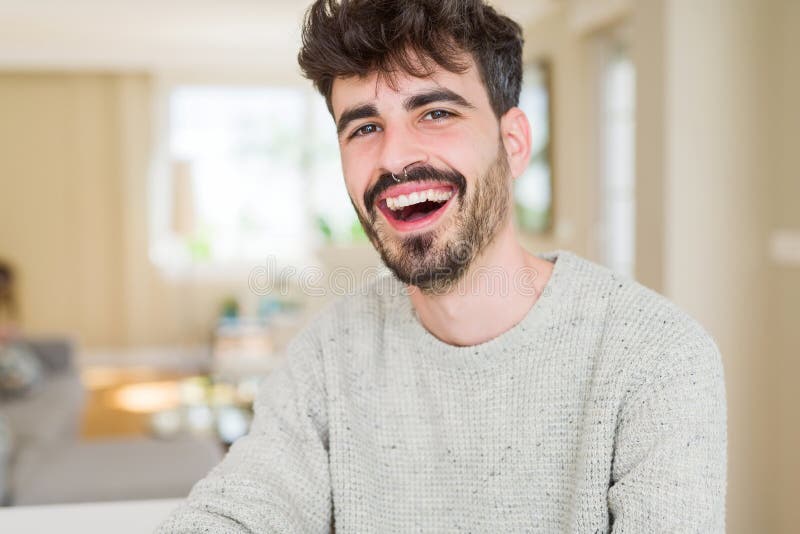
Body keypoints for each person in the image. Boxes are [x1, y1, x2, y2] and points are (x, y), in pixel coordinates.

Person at [158, 1, 727, 532]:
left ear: (512, 143)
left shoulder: (656, 357)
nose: (394, 157)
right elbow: (240, 508)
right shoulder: (326, 358)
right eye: (364, 127)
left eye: (435, 112)